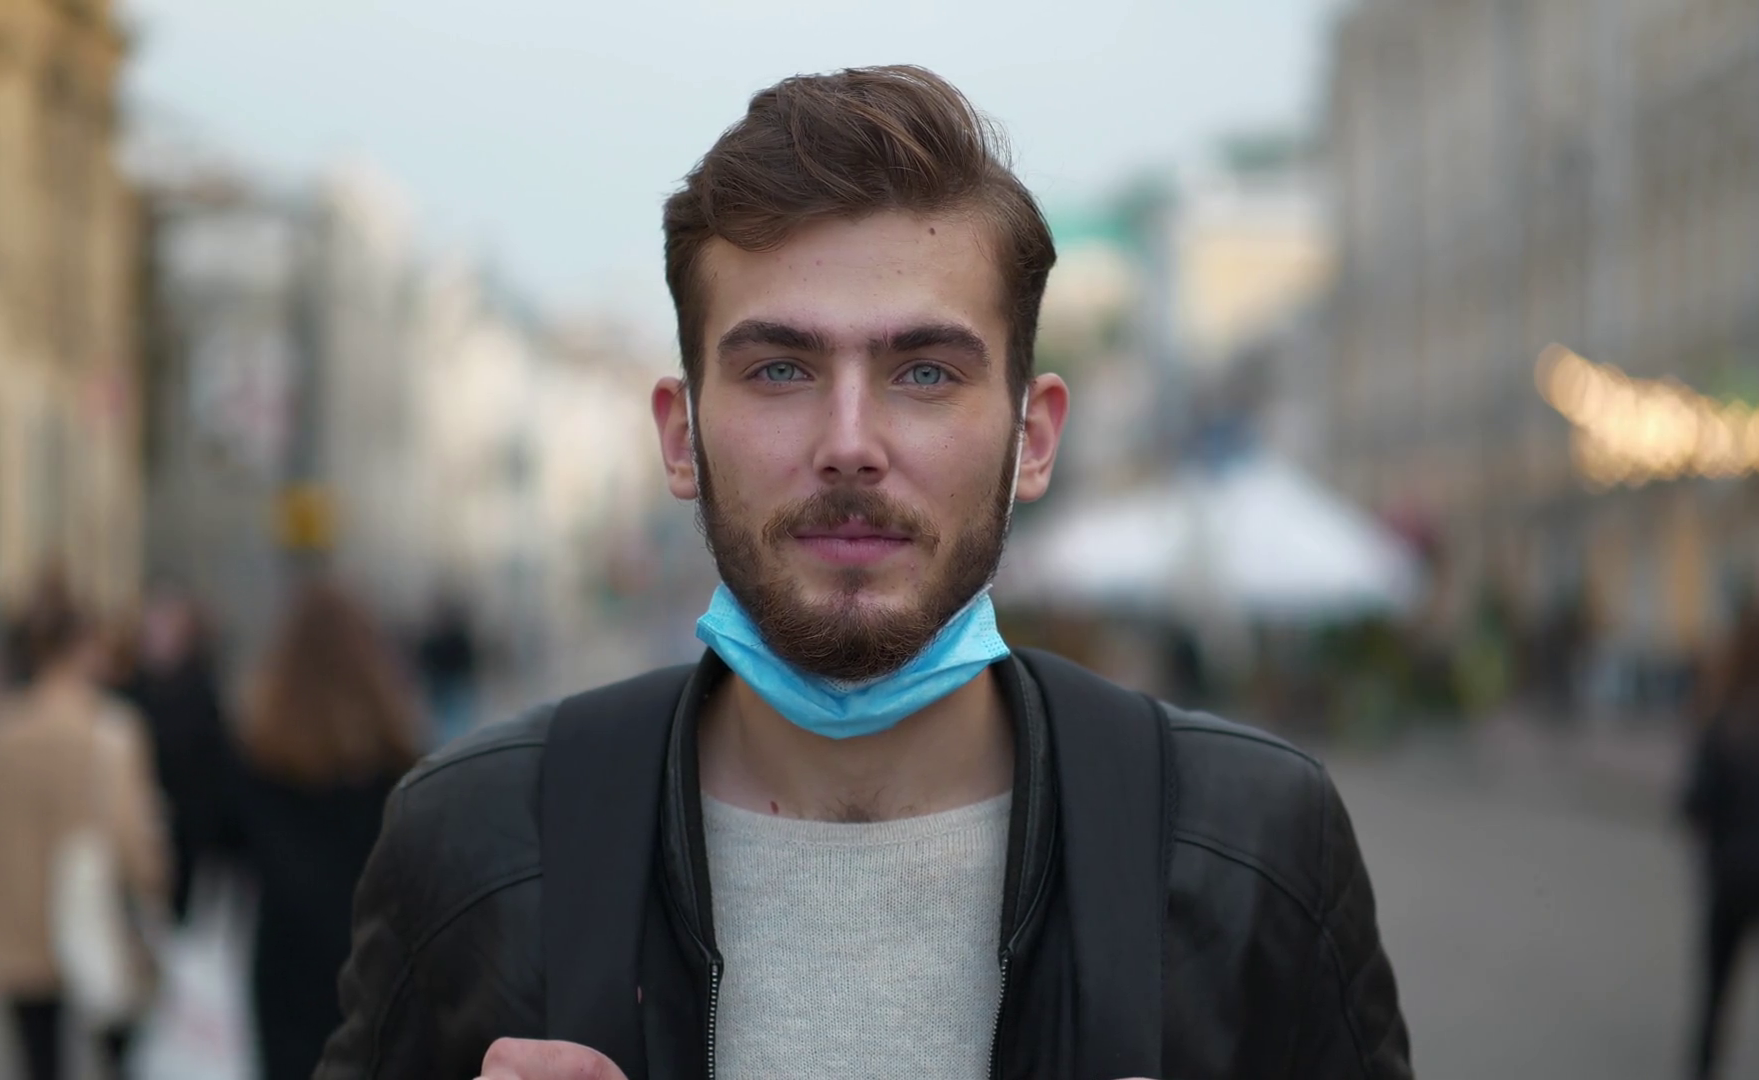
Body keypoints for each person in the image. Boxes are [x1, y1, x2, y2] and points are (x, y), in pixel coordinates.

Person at [319, 66, 1410, 1080]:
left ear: (1034, 437)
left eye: (925, 371)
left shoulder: (1249, 845)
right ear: (679, 434)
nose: (851, 441)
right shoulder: (474, 840)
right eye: (781, 368)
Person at [224, 578, 420, 1080]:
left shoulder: (260, 752)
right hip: (377, 960)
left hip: (285, 960)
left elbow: (227, 843)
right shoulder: (397, 757)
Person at [0, 604, 168, 1080]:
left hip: (15, 917)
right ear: (82, 651)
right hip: (97, 915)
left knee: (38, 1060)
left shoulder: (0, 731)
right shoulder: (111, 730)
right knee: (120, 1054)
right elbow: (132, 834)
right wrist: (156, 889)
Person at [1683, 606, 1759, 1079]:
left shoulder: (1721, 721)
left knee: (1717, 995)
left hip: (1734, 879)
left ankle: (1704, 1069)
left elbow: (1695, 804)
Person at [118, 588, 233, 922]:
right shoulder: (130, 690)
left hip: (188, 824)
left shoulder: (202, 690)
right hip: (142, 815)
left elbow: (215, 763)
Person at [414, 591, 479, 747]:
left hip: (453, 683)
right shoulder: (436, 636)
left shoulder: (456, 636)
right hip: (441, 683)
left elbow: (467, 659)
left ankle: (455, 745)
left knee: (455, 719)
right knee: (444, 721)